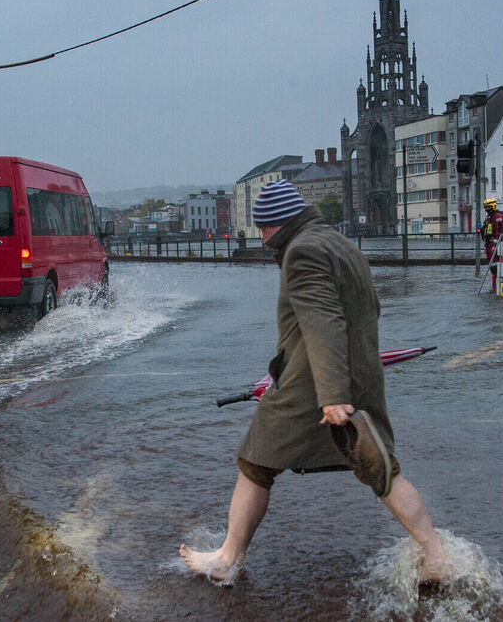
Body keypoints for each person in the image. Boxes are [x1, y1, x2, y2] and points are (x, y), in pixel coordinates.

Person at [179, 179, 449, 586]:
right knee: (380, 469)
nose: (263, 237)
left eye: (264, 228)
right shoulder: (340, 243)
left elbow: (323, 322)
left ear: (277, 224)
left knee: (255, 462)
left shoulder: (302, 251)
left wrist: (332, 397)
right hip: (358, 375)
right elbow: (367, 309)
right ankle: (436, 553)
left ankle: (227, 559)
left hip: (313, 384)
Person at [479, 198, 503, 288]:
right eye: (485, 207)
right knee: (491, 263)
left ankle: (498, 279)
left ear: (493, 206)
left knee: (495, 263)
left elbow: (499, 231)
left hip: (494, 243)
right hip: (488, 243)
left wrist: (495, 244)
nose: (487, 209)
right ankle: (495, 279)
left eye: (488, 207)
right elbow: (486, 230)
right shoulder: (489, 217)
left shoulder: (497, 216)